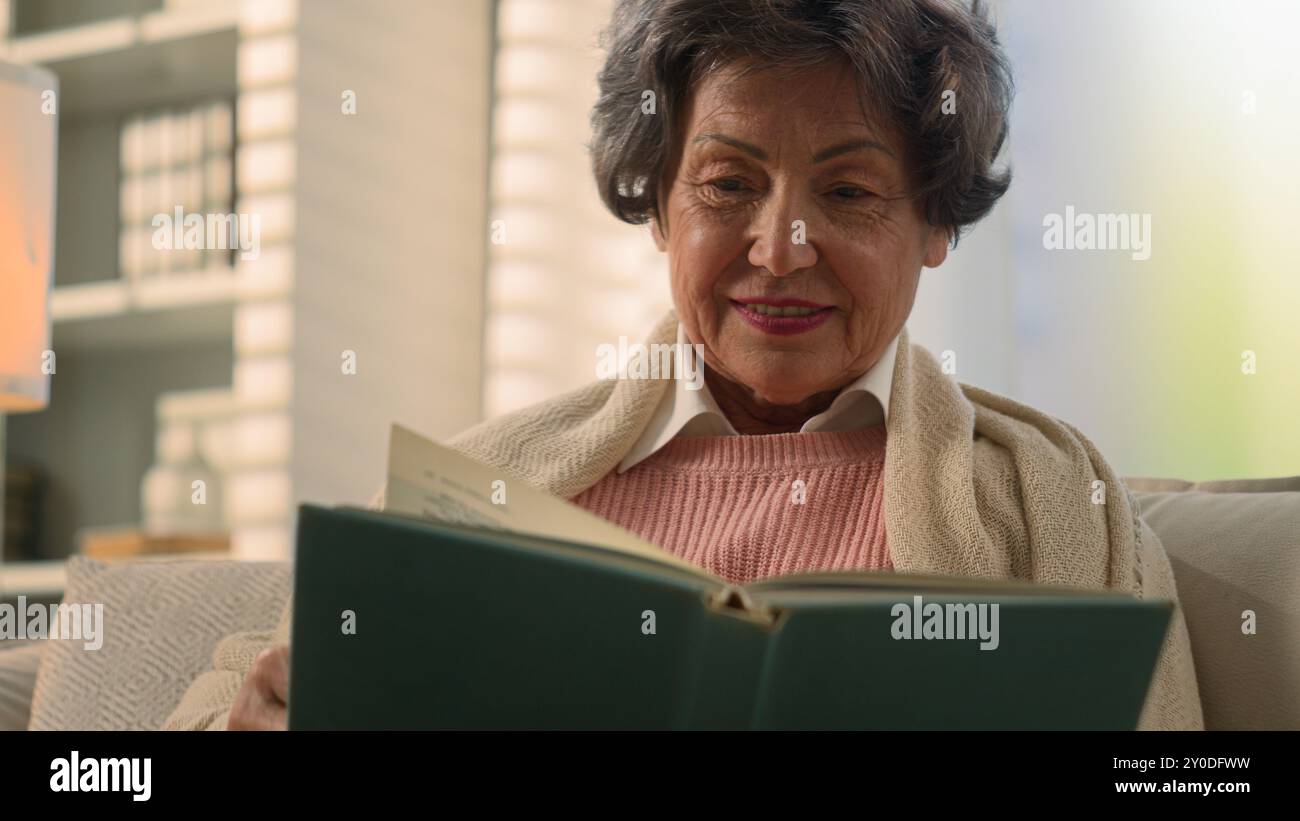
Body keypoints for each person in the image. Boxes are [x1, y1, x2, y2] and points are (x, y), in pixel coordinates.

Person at [165, 0, 1203, 731]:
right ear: (658, 205)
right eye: (725, 183)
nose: (781, 246)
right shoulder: (470, 489)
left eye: (846, 193)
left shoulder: (1056, 505)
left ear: (934, 221)